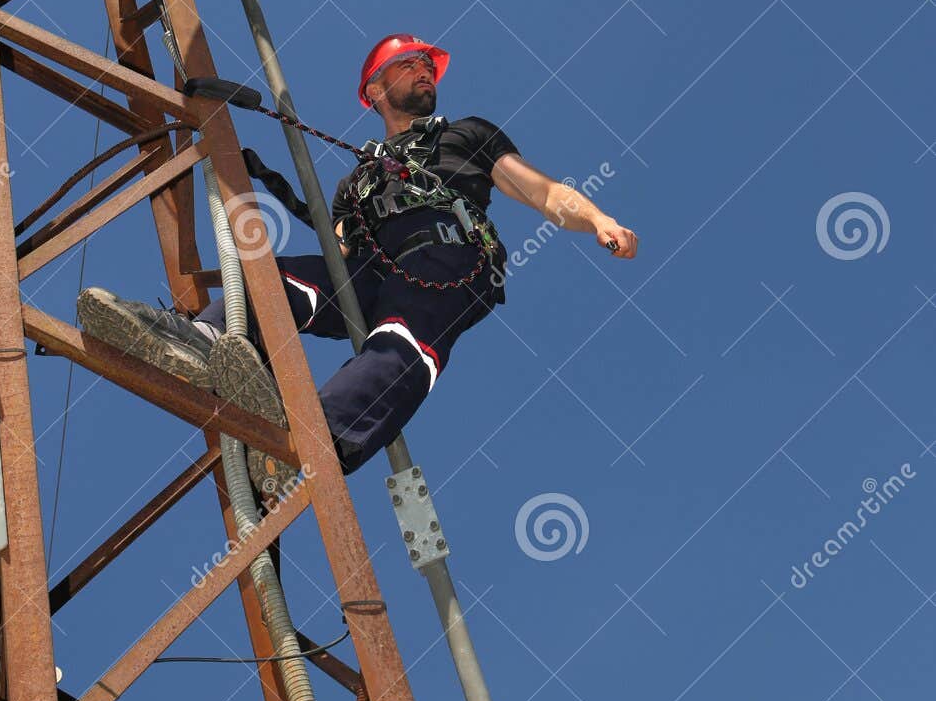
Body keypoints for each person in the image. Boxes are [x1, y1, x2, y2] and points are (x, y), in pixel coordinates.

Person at [77, 33, 639, 494]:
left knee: (400, 340)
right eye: (412, 64)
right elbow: (341, 250)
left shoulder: (467, 135)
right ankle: (198, 342)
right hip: (373, 268)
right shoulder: (359, 179)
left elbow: (539, 191)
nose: (426, 72)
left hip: (449, 258)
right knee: (275, 280)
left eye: (428, 65)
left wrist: (598, 220)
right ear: (376, 88)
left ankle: (307, 438)